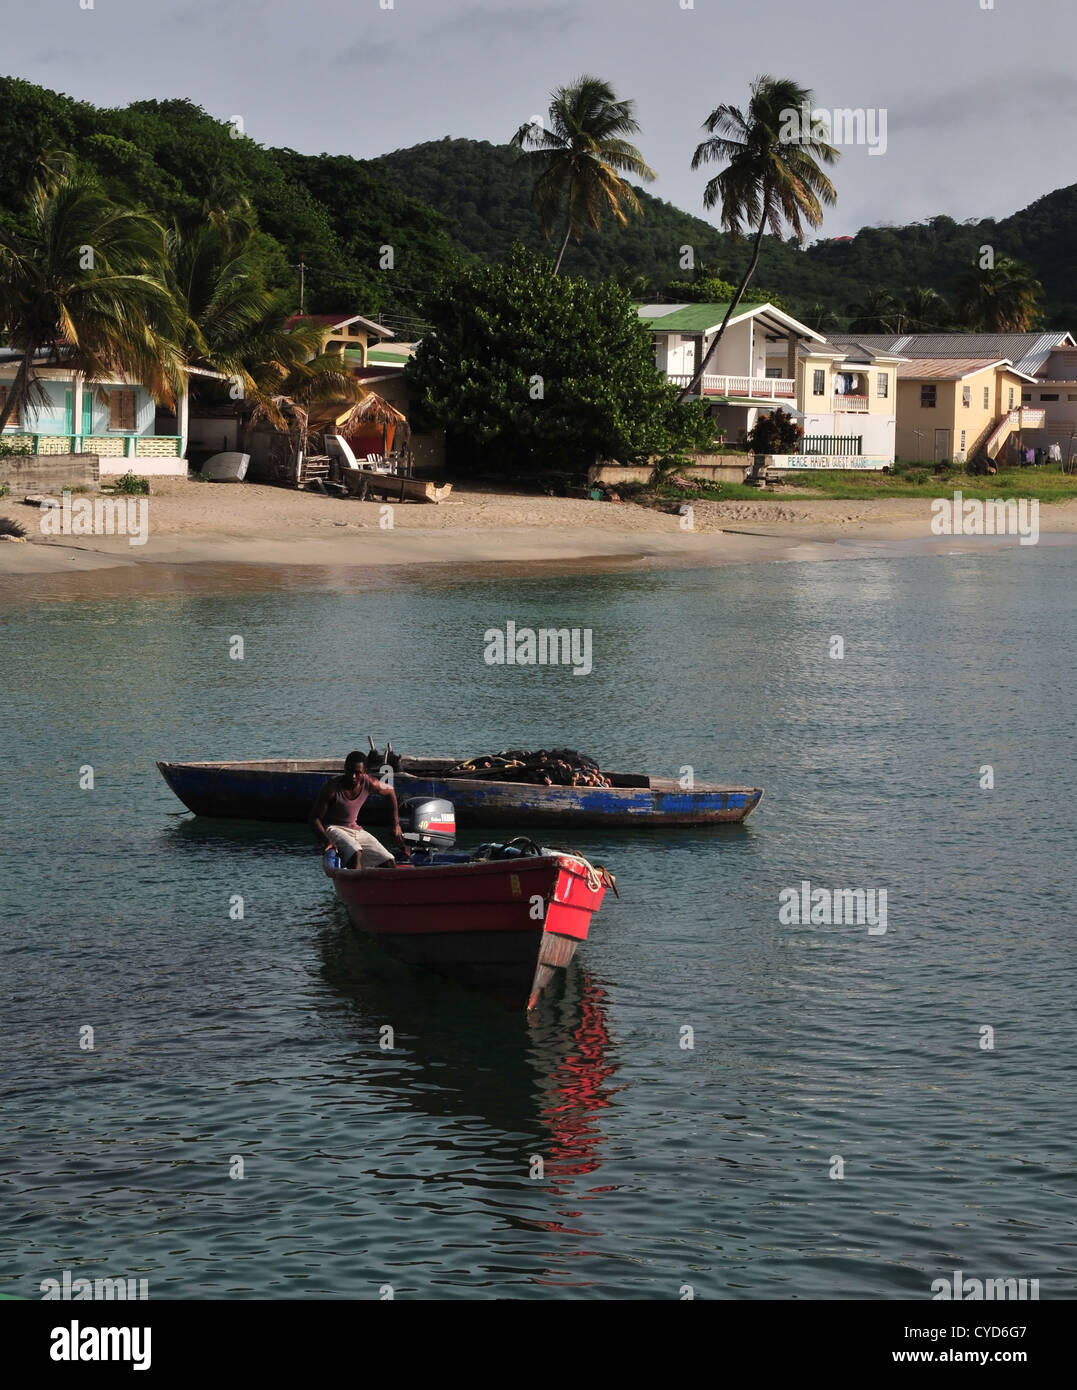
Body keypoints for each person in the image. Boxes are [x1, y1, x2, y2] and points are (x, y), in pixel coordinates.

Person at [310, 751, 404, 869]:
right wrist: (326, 841)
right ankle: (356, 885)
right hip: (333, 828)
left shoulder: (370, 783)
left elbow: (390, 791)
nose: (353, 776)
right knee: (355, 852)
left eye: (358, 773)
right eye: (350, 771)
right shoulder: (332, 788)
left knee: (389, 862)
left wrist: (395, 824)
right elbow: (314, 819)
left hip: (355, 829)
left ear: (364, 772)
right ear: (345, 769)